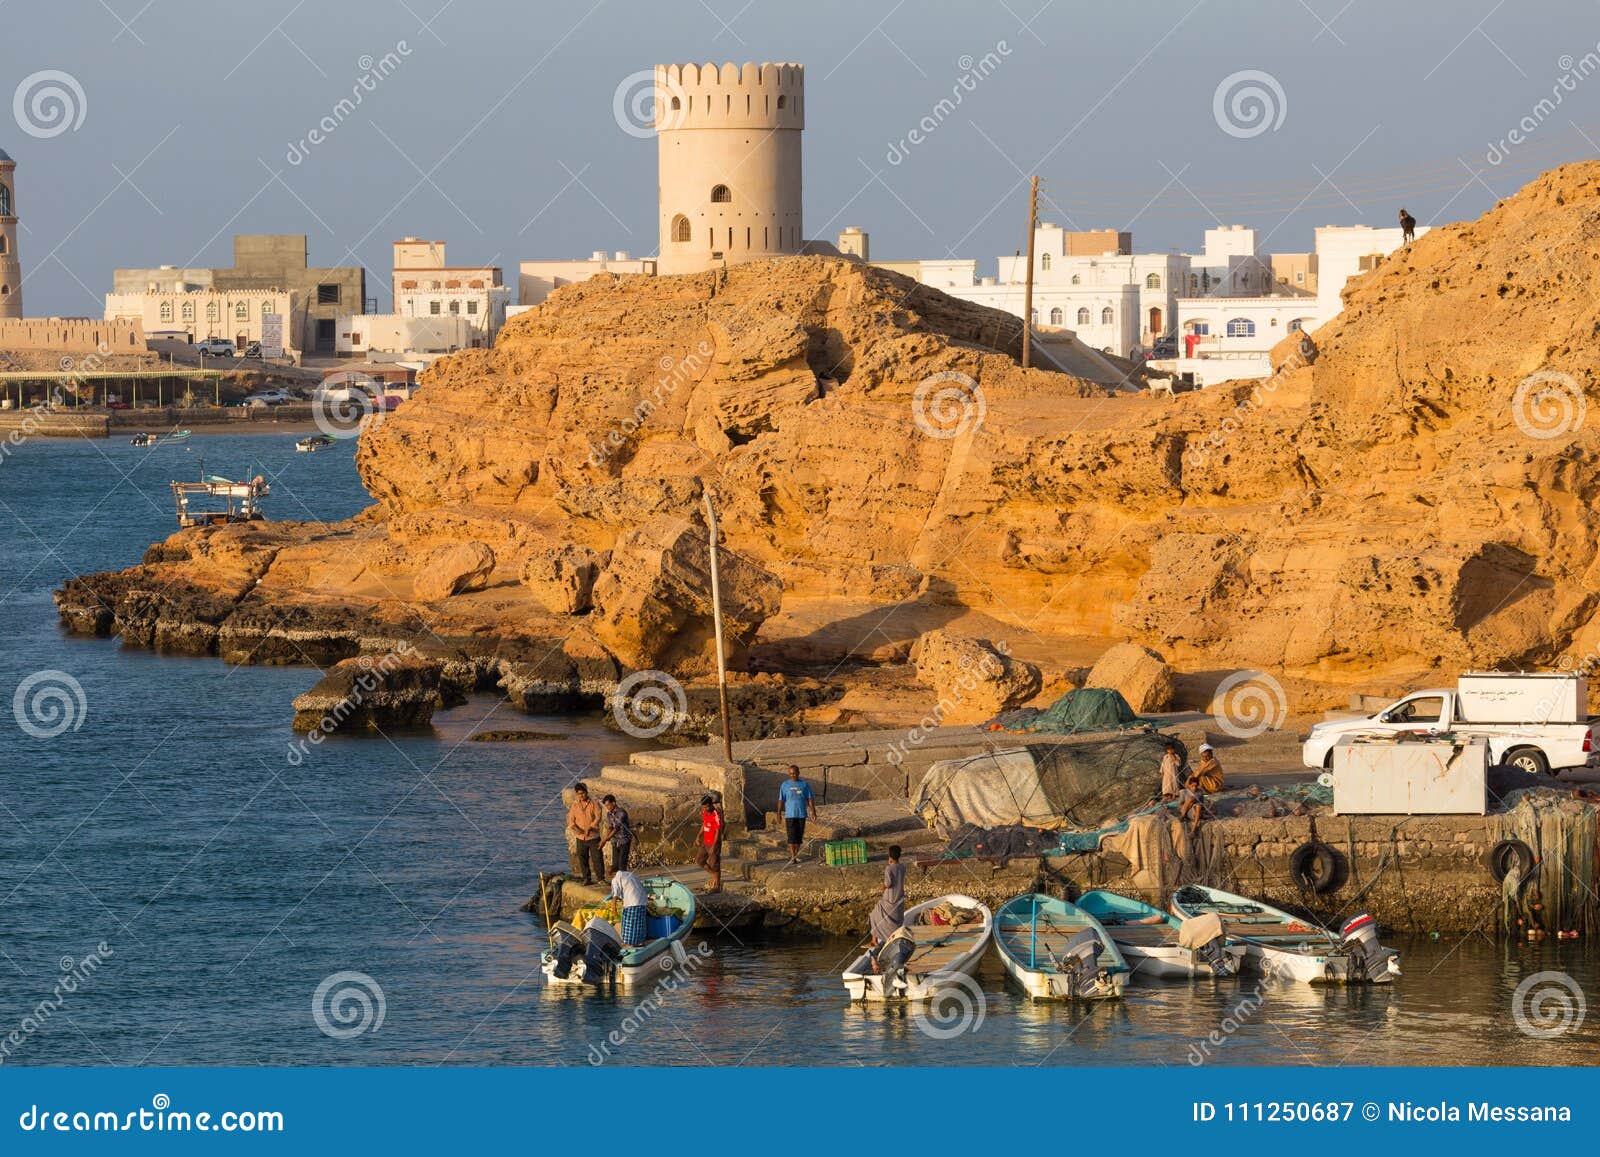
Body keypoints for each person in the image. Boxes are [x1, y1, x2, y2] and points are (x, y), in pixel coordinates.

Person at [777, 764, 817, 864]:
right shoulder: (784, 785)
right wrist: (778, 814)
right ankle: (793, 856)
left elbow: (809, 799)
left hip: (801, 814)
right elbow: (781, 800)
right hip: (790, 814)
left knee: (799, 837)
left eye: (794, 773)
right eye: (790, 773)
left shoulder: (804, 785)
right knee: (791, 836)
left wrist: (813, 811)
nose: (792, 775)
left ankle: (795, 854)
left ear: (798, 773)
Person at [566, 782, 604, 885]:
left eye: (582, 793)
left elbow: (598, 817)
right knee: (582, 859)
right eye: (579, 794)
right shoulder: (574, 805)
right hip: (580, 837)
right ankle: (587, 878)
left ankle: (601, 879)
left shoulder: (594, 803)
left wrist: (590, 827)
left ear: (586, 792)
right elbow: (571, 821)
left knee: (597, 858)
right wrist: (580, 831)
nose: (581, 796)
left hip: (593, 836)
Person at [869, 845, 906, 944]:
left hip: (890, 900)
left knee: (873, 915)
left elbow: (888, 884)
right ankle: (881, 939)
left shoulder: (889, 868)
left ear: (889, 855)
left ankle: (874, 941)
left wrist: (881, 887)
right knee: (894, 920)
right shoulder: (903, 867)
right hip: (899, 897)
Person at [608, 869, 650, 947]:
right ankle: (640, 942)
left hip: (632, 902)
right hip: (642, 900)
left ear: (612, 874)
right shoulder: (629, 874)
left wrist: (614, 907)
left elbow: (615, 895)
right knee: (640, 923)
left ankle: (628, 942)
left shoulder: (615, 879)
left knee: (629, 923)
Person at [600, 793, 633, 878]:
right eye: (606, 806)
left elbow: (616, 828)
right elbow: (610, 828)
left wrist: (605, 840)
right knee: (615, 865)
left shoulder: (621, 812)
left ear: (614, 803)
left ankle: (623, 881)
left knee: (622, 864)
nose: (607, 807)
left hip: (624, 841)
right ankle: (617, 881)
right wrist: (606, 839)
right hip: (615, 842)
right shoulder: (609, 814)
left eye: (608, 805)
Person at [695, 794, 723, 894]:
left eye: (707, 806)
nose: (706, 808)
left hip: (713, 843)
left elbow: (718, 832)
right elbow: (704, 824)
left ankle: (717, 885)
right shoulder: (705, 812)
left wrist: (714, 846)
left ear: (711, 805)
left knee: (714, 863)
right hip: (705, 841)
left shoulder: (716, 814)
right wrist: (698, 836)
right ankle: (713, 876)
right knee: (699, 860)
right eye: (704, 807)